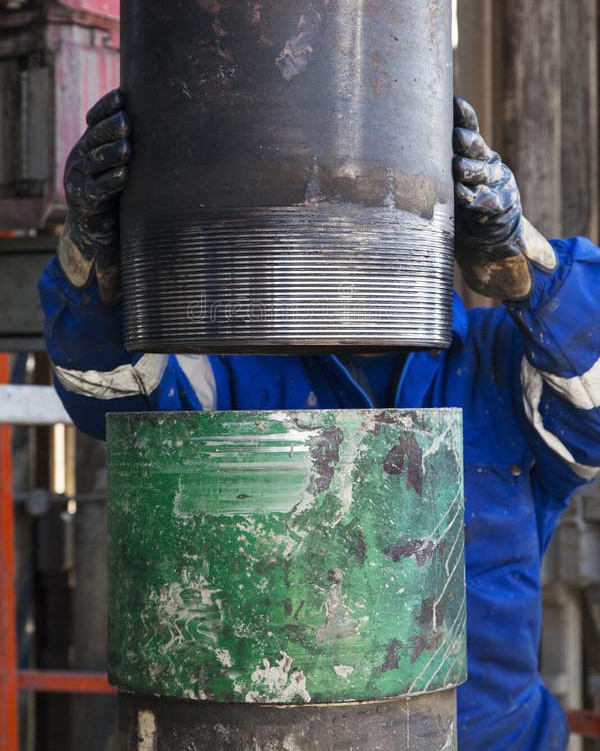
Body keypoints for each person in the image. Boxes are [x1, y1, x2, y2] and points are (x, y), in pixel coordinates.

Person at [39, 89, 600, 750]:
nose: (363, 229)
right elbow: (113, 400)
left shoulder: (502, 365)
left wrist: (529, 266)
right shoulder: (235, 365)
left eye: (387, 198)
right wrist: (91, 260)